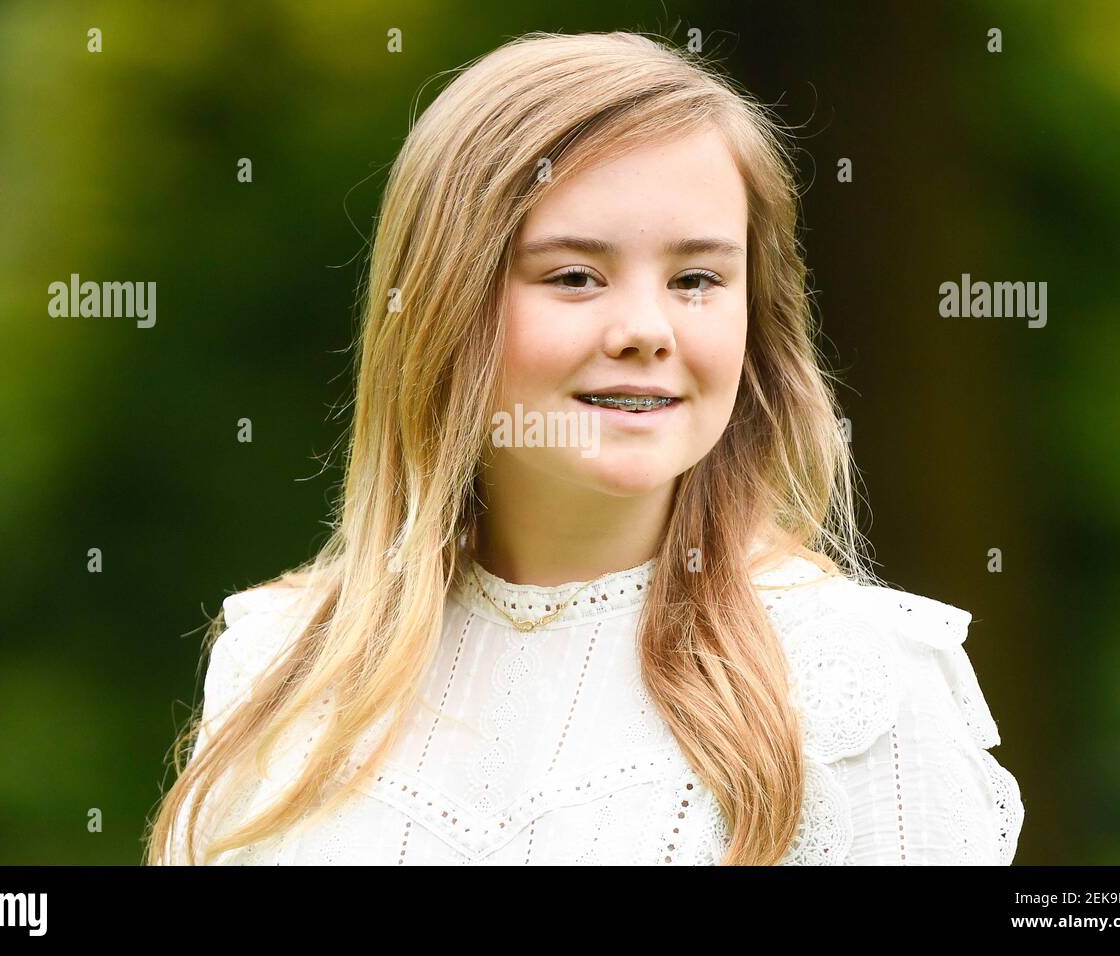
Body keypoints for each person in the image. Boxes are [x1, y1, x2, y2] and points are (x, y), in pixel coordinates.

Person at [146, 30, 1023, 866]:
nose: (645, 329)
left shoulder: (856, 682)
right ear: (448, 306)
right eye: (573, 276)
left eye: (696, 280)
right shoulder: (281, 668)